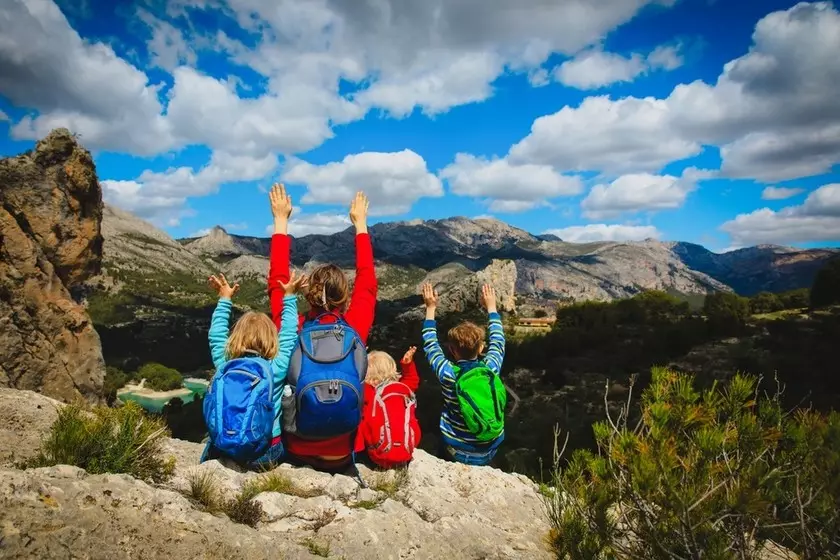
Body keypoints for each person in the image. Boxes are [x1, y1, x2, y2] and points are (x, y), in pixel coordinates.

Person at [267, 183, 378, 472]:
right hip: (343, 452)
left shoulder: (293, 326)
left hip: (296, 448)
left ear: (307, 293)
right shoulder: (354, 326)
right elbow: (367, 282)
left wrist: (281, 221)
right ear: (345, 297)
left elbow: (277, 282)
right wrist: (361, 225)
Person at [201, 271, 305, 468]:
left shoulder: (225, 363)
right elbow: (290, 333)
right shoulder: (275, 367)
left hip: (225, 446)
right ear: (272, 338)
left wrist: (224, 299)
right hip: (265, 451)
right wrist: (290, 296)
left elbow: (216, 334)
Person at [421, 282, 507, 466]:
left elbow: (430, 344)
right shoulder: (491, 368)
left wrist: (430, 308)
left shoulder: (447, 373)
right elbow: (499, 340)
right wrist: (491, 307)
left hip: (457, 450)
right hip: (490, 449)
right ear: (482, 348)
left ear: (451, 350)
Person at [355, 346, 421, 469]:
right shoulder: (401, 389)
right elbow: (412, 380)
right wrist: (407, 365)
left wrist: (356, 358)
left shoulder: (368, 391)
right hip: (405, 452)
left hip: (375, 454)